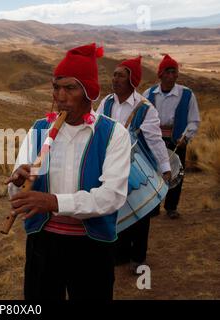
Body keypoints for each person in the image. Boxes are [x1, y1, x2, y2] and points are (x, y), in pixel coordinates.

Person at [6, 43, 131, 300]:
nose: (60, 96)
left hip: (92, 247)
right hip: (43, 242)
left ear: (89, 92)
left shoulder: (113, 134)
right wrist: (18, 182)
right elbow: (15, 193)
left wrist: (52, 201)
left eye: (70, 88)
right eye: (56, 87)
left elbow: (112, 196)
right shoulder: (39, 129)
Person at [97, 56, 171, 273]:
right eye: (115, 74)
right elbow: (96, 128)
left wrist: (165, 167)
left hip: (138, 166)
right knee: (117, 208)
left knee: (140, 211)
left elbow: (156, 141)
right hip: (111, 167)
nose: (115, 78)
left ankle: (138, 257)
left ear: (132, 80)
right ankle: (120, 253)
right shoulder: (106, 102)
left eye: (121, 75)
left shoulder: (145, 108)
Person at [143, 54, 201, 219]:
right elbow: (142, 117)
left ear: (177, 74)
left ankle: (171, 207)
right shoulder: (149, 94)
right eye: (167, 72)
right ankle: (152, 207)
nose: (170, 76)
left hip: (177, 141)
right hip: (153, 141)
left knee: (176, 173)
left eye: (173, 72)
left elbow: (194, 120)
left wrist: (186, 136)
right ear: (160, 74)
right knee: (153, 173)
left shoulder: (187, 94)